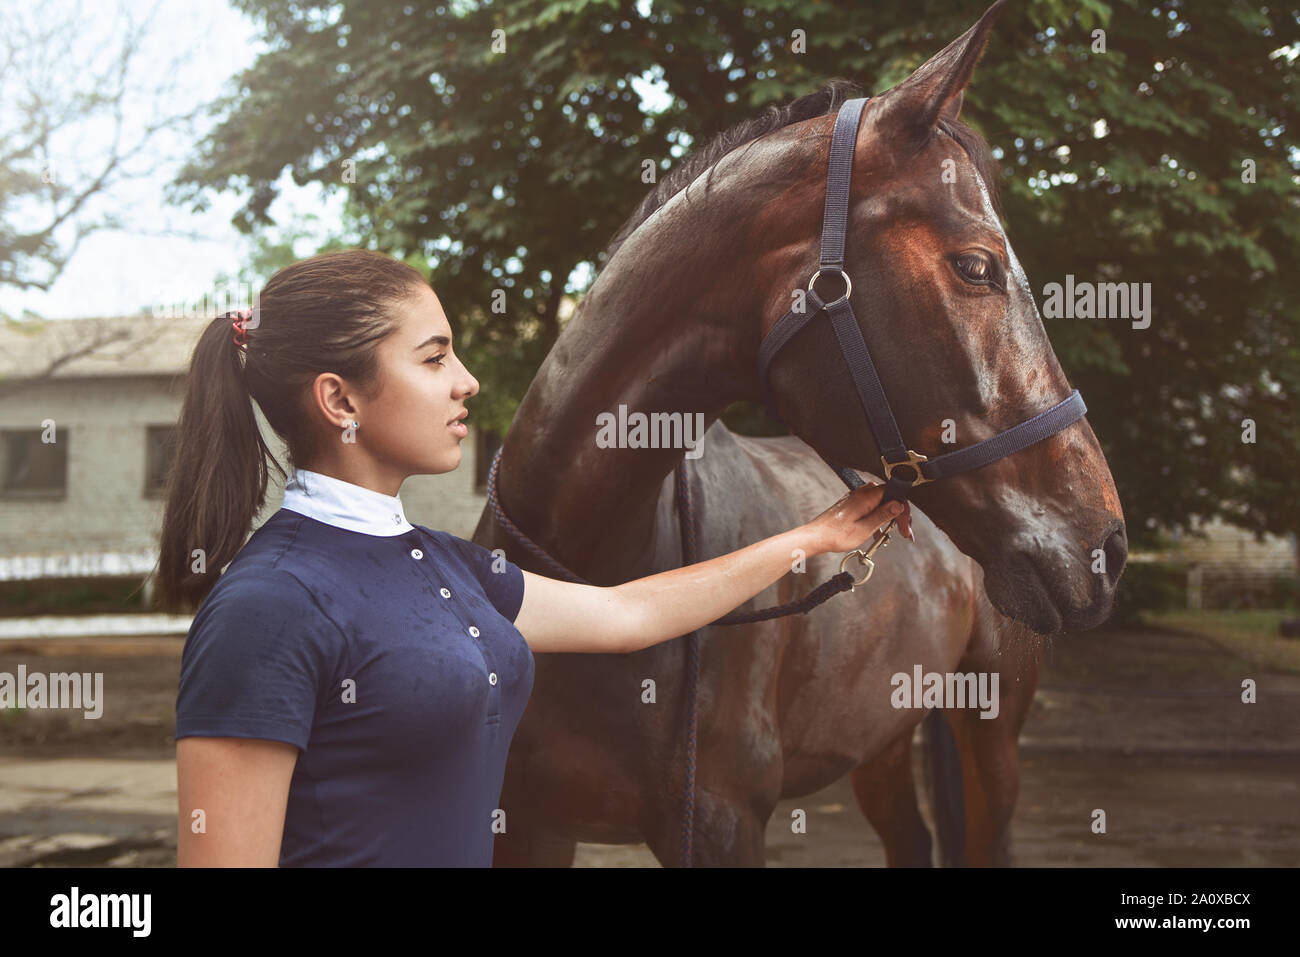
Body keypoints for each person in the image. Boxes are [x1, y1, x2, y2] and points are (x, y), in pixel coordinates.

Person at [159, 248, 908, 867]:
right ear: (340, 400)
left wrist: (813, 538)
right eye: (433, 358)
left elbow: (627, 613)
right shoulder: (269, 606)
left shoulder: (445, 565)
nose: (467, 382)